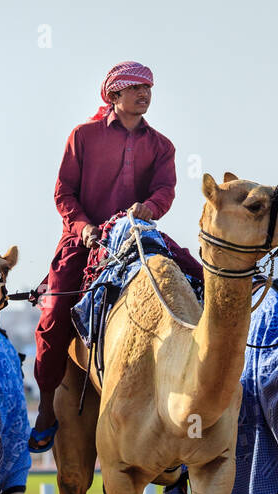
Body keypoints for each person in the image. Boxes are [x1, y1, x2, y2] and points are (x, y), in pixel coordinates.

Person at [29, 61, 177, 451]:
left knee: (189, 284)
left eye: (148, 89)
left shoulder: (162, 146)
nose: (144, 95)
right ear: (114, 95)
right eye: (136, 89)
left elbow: (165, 190)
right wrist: (85, 229)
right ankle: (46, 406)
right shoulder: (83, 136)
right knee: (55, 313)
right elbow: (64, 194)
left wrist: (151, 207)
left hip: (136, 238)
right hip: (84, 241)